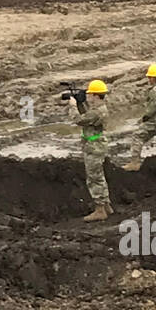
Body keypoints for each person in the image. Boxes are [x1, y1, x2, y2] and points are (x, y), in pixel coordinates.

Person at [68, 79, 112, 221]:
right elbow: (88, 118)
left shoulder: (96, 112)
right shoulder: (100, 109)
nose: (88, 96)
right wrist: (81, 103)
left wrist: (73, 106)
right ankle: (106, 205)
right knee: (99, 176)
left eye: (90, 94)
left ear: (95, 95)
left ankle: (100, 210)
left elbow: (79, 120)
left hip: (93, 147)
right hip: (98, 145)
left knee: (93, 178)